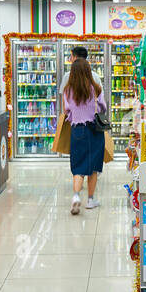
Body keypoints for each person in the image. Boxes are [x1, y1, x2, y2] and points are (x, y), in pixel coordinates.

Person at [60, 56, 105, 215]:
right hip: (94, 130)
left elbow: (66, 111)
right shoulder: (96, 88)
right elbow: (102, 108)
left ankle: (76, 196)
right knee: (93, 166)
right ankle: (91, 200)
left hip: (77, 130)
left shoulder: (67, 90)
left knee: (78, 165)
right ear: (88, 71)